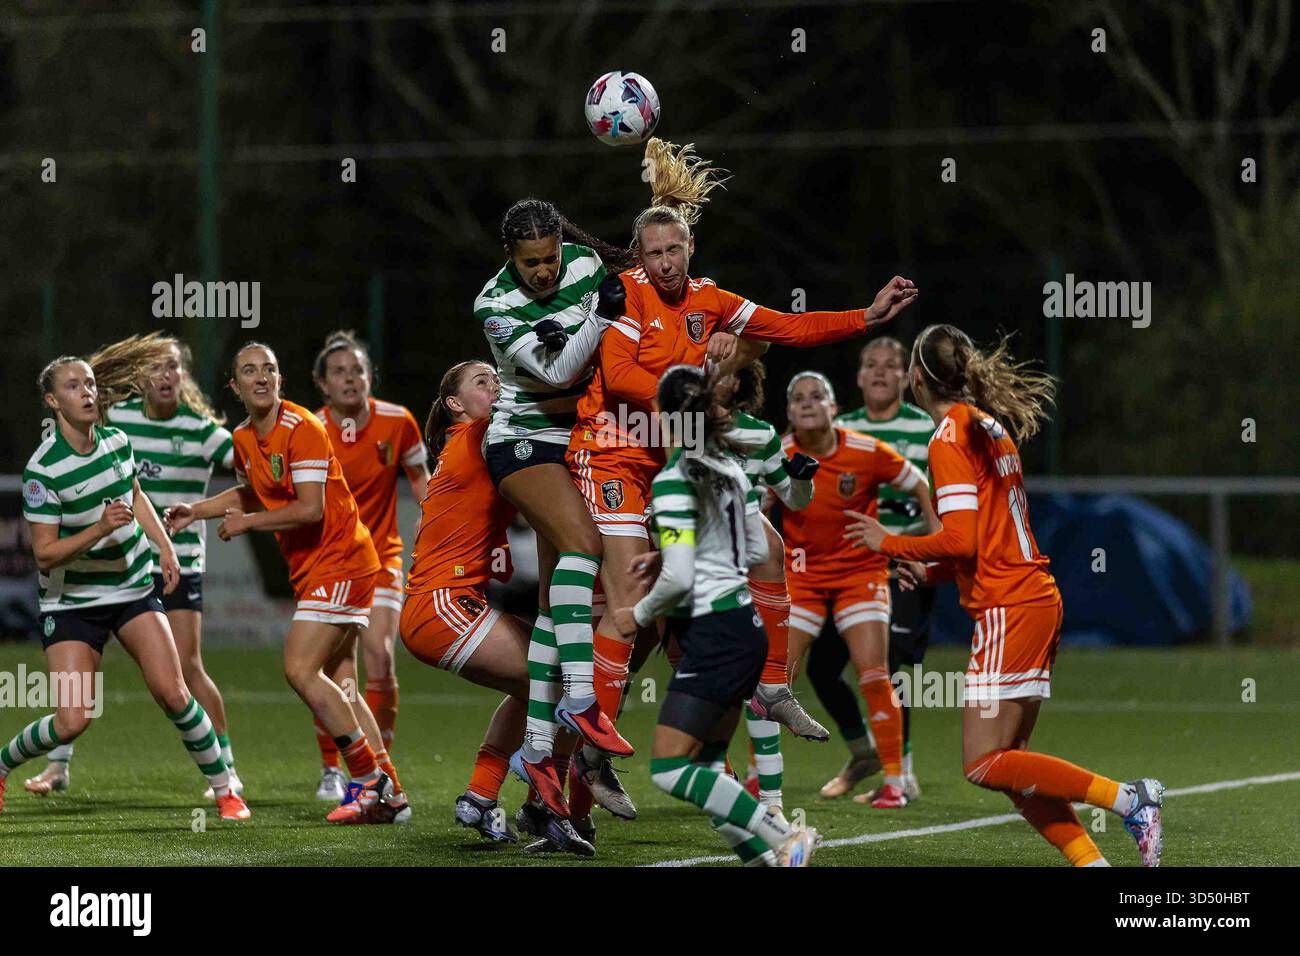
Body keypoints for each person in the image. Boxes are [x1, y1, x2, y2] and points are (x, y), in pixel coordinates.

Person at [568, 137, 918, 819]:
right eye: (653, 253)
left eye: (674, 250)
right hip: (611, 454)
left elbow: (788, 327)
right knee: (626, 603)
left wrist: (864, 317)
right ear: (639, 257)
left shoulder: (710, 298)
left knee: (766, 547)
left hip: (671, 455)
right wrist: (699, 381)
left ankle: (773, 686)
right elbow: (620, 377)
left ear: (690, 249)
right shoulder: (625, 296)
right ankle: (592, 753)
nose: (665, 263)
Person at [846, 324, 1164, 866]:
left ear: (916, 378)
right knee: (1011, 764)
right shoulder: (986, 424)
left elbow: (961, 539)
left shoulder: (949, 437)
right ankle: (1093, 864)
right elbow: (986, 537)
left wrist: (888, 542)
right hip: (1032, 598)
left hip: (1009, 606)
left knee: (982, 763)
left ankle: (1130, 798)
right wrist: (931, 574)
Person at [167, 342, 407, 825]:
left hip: (341, 561)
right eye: (249, 371)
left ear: (280, 380)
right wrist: (198, 510)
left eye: (269, 369)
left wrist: (247, 525)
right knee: (343, 685)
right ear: (234, 386)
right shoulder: (242, 436)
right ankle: (393, 795)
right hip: (318, 568)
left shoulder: (303, 428)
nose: (261, 377)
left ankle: (367, 782)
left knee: (299, 668)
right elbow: (252, 492)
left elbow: (310, 508)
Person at [6, 344, 248, 821]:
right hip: (72, 601)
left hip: (133, 588)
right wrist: (100, 527)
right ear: (53, 402)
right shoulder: (43, 470)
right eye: (73, 386)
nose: (87, 392)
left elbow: (135, 494)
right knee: (72, 721)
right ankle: (3, 766)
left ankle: (226, 791)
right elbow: (45, 553)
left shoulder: (117, 441)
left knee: (174, 692)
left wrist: (163, 544)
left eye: (90, 384)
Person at [612, 364, 819, 867]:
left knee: (670, 770)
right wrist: (677, 553)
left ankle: (782, 833)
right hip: (748, 631)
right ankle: (768, 859)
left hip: (713, 637)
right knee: (707, 767)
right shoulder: (730, 470)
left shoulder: (672, 480)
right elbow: (754, 550)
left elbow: (680, 579)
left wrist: (637, 613)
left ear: (661, 415)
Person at [474, 199, 634, 820]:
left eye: (550, 258)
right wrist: (600, 317)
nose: (543, 271)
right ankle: (582, 701)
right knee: (585, 546)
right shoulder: (494, 304)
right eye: (530, 263)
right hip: (523, 441)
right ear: (510, 259)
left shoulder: (586, 263)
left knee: (550, 604)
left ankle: (538, 750)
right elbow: (563, 370)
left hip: (580, 442)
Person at [401, 359, 593, 856]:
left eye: (496, 378)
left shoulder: (475, 444)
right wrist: (595, 385)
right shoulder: (478, 436)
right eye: (482, 381)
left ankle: (482, 797)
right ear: (455, 404)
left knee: (537, 680)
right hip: (443, 606)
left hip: (442, 605)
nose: (496, 386)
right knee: (558, 681)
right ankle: (543, 805)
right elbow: (547, 414)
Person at [779, 370, 937, 808]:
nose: (807, 402)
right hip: (803, 578)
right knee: (775, 679)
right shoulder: (777, 454)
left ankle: (894, 783)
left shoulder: (866, 451)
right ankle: (761, 784)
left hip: (859, 575)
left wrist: (932, 542)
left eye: (817, 395)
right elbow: (756, 508)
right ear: (789, 411)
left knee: (873, 673)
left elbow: (920, 484)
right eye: (797, 397)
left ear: (834, 408)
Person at [309, 330, 430, 801]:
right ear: (322, 384)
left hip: (382, 558)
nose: (350, 378)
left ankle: (381, 767)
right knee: (330, 670)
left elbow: (420, 479)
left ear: (370, 376)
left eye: (357, 370)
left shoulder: (398, 422)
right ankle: (332, 768)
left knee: (380, 655)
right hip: (330, 562)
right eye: (338, 372)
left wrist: (433, 521)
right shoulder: (312, 430)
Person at [716, 361, 827, 815]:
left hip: (747, 574)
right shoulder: (680, 425)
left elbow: (795, 500)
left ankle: (772, 803)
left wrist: (801, 478)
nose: (713, 374)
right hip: (692, 564)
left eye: (726, 370)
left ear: (741, 382)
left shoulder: (760, 434)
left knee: (758, 680)